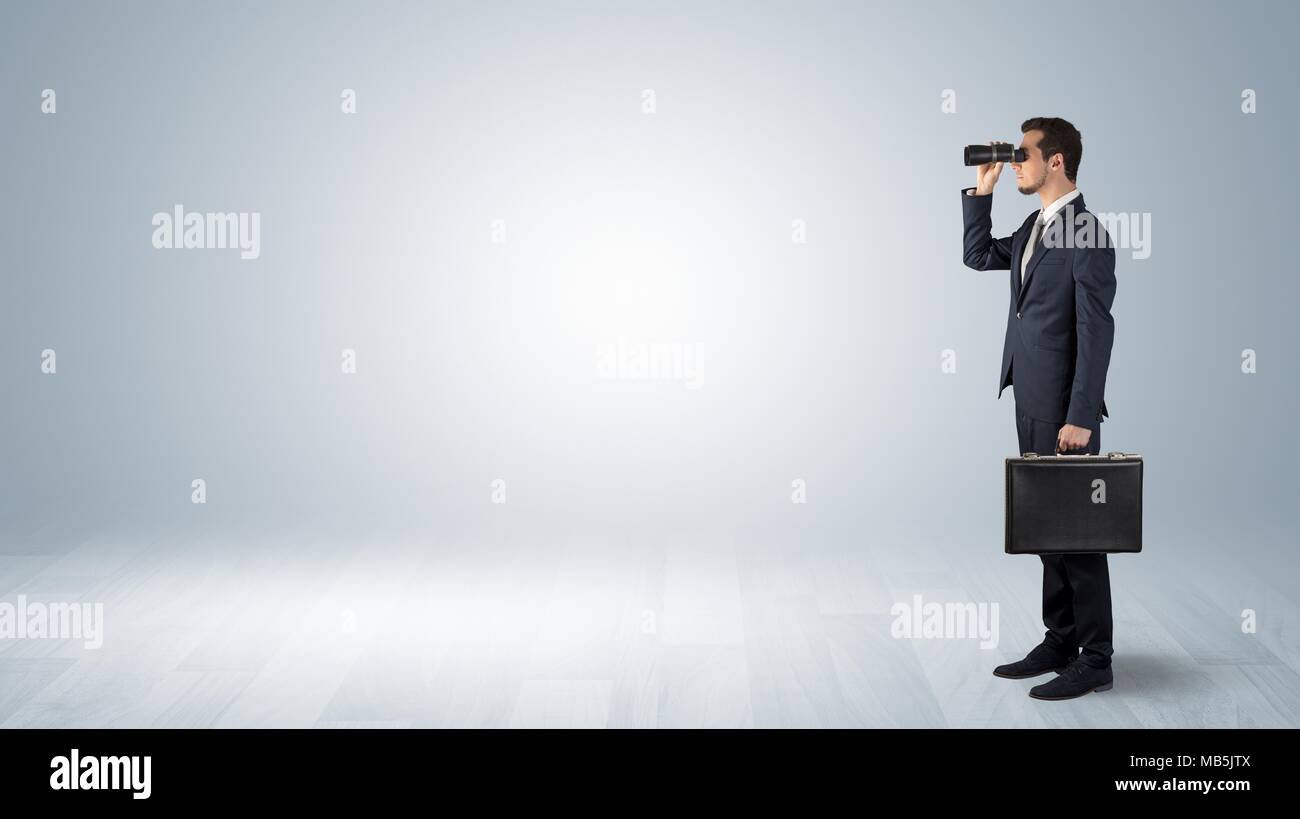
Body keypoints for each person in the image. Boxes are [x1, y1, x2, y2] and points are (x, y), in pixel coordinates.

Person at [961, 117, 1117, 700]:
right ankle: (1061, 640)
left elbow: (1096, 331)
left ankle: (1096, 658)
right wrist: (983, 190)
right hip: (1029, 396)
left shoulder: (1087, 232)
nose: (1014, 163)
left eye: (1022, 154)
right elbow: (978, 255)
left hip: (1065, 408)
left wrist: (1081, 415)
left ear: (1056, 161)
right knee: (1046, 529)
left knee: (1078, 535)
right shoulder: (1034, 225)